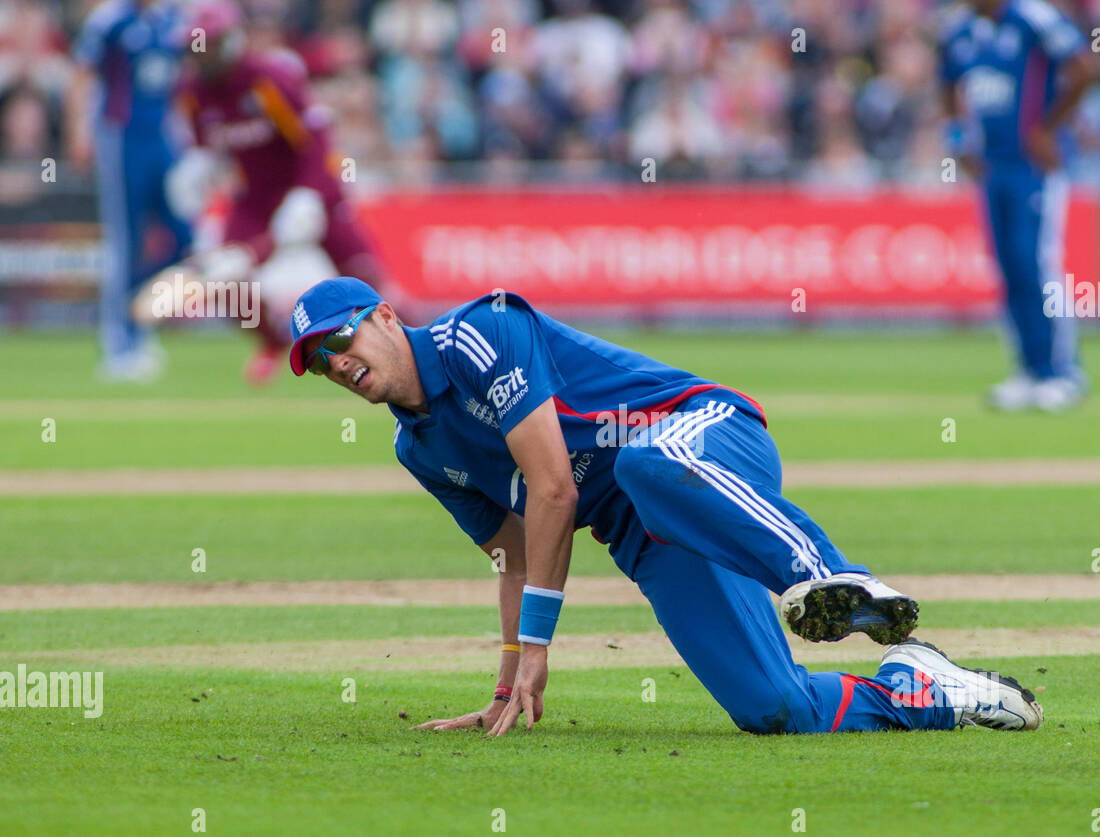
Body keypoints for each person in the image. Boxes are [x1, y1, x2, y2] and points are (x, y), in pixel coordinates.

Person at [286, 277, 1044, 737]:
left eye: (339, 339)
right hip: (646, 528)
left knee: (647, 461)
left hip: (703, 436)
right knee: (772, 709)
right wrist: (506, 677)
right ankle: (920, 687)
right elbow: (514, 551)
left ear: (385, 316)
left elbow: (554, 489)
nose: (336, 363)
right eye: (319, 362)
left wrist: (543, 644)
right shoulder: (417, 449)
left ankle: (832, 578)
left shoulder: (478, 334)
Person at [169, 0, 384, 384]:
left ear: (231, 41)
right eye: (195, 47)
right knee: (225, 279)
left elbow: (315, 138)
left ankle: (411, 351)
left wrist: (309, 194)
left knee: (368, 282)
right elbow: (208, 148)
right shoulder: (192, 90)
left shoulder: (268, 79)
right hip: (255, 199)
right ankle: (272, 343)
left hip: (312, 190)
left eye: (210, 44)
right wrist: (195, 170)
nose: (201, 55)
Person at [939, 0, 1096, 411]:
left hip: (1034, 166)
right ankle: (1028, 369)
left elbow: (1083, 67)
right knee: (1007, 265)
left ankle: (1061, 371)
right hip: (993, 168)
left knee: (1035, 263)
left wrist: (1048, 129)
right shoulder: (961, 31)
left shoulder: (1033, 18)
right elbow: (947, 85)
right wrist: (959, 140)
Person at [67, 0, 192, 382]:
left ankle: (141, 319)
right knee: (125, 241)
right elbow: (83, 73)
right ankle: (119, 343)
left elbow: (185, 78)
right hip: (122, 139)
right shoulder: (111, 21)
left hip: (164, 140)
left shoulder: (175, 18)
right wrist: (79, 131)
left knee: (183, 238)